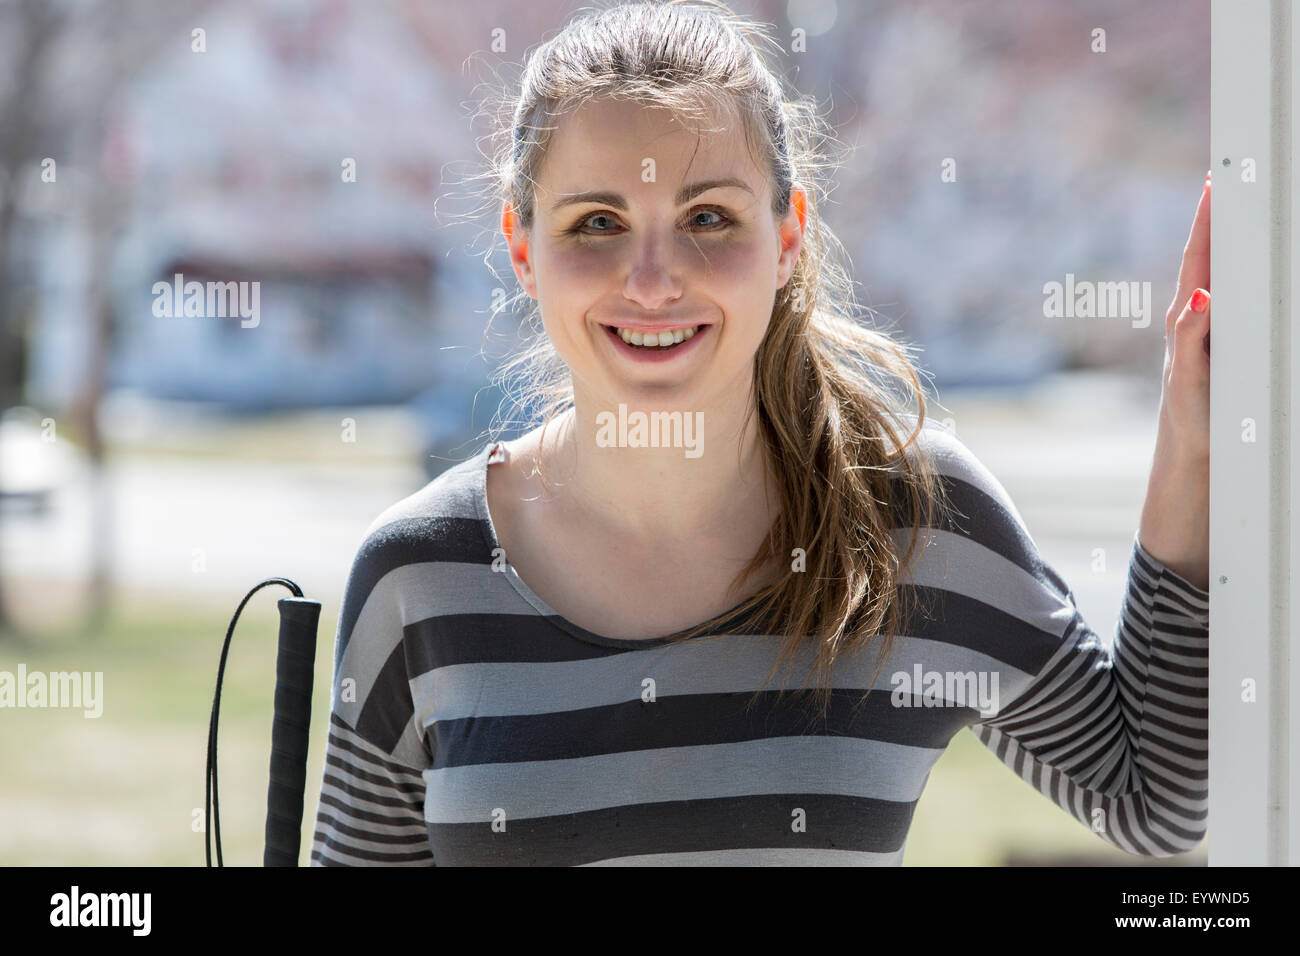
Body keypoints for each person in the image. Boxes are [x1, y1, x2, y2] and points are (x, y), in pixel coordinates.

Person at [309, 0, 1211, 866]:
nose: (654, 280)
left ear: (786, 238)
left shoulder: (917, 526)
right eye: (597, 224)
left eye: (708, 218)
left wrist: (1192, 441)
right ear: (522, 248)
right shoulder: (419, 576)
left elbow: (1152, 798)